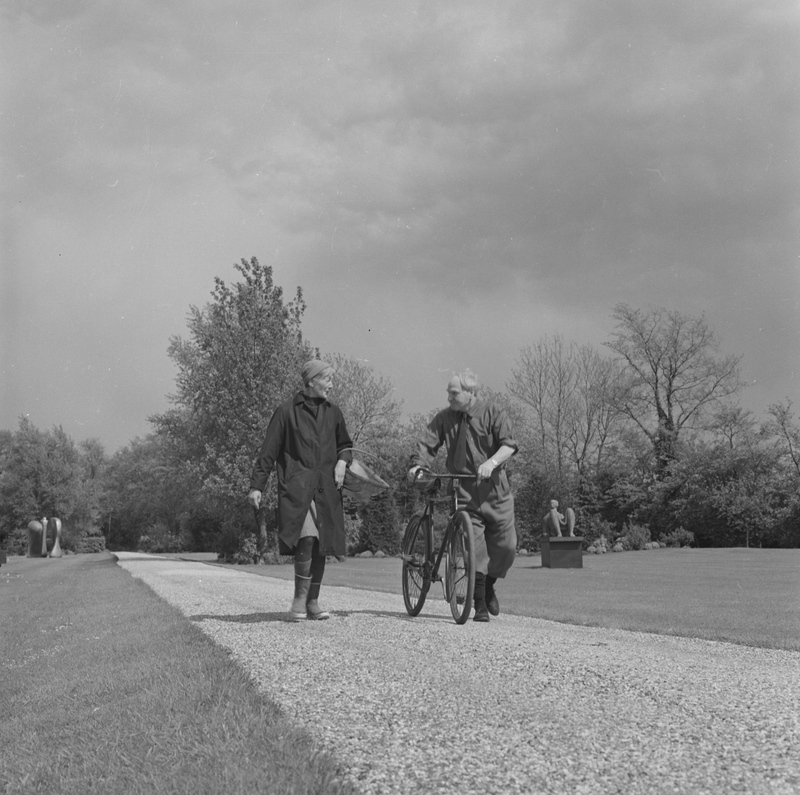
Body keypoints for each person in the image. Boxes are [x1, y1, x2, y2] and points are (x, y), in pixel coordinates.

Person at [408, 370, 518, 622]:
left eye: (453, 393)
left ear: (471, 393)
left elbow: (509, 445)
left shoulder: (493, 412)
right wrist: (418, 465)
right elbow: (427, 445)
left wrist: (491, 463)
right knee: (474, 548)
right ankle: (478, 603)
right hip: (464, 491)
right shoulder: (445, 417)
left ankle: (489, 585)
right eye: (448, 392)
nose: (448, 397)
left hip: (495, 490)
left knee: (507, 547)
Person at [248, 359, 353, 621]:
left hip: (326, 489)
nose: (331, 383)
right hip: (297, 488)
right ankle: (299, 600)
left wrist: (342, 461)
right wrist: (256, 486)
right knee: (307, 538)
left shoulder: (334, 413)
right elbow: (268, 451)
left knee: (322, 545)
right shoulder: (286, 412)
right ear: (311, 382)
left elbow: (345, 445)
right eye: (327, 378)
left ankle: (313, 602)